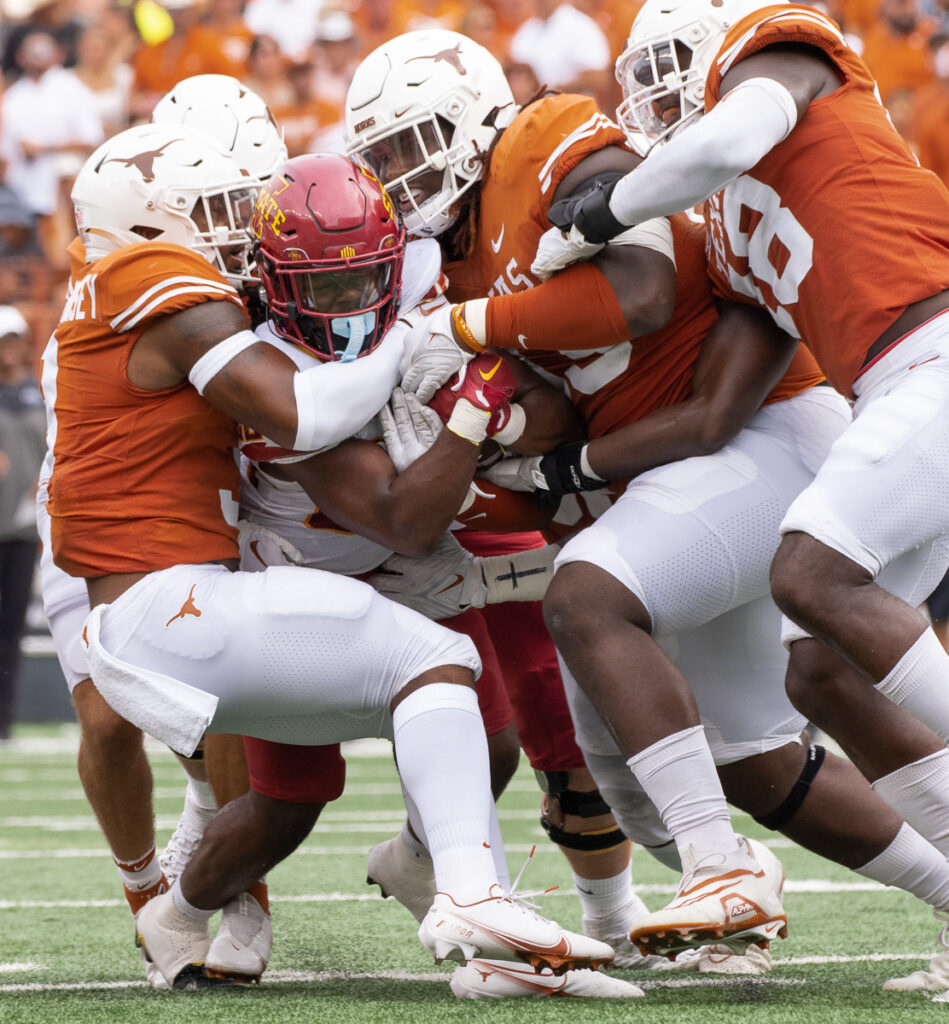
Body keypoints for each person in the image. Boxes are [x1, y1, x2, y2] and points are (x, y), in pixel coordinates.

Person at [346, 27, 949, 967]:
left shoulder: (542, 139)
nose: (396, 173)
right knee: (764, 736)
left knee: (590, 597)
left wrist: (478, 326)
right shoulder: (721, 226)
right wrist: (508, 439)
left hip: (781, 437)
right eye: (378, 157)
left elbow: (643, 301)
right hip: (685, 472)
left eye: (407, 143)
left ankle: (715, 864)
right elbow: (566, 412)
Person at [45, 119, 612, 991]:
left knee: (346, 773)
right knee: (438, 665)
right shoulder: (170, 290)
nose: (235, 224)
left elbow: (542, 413)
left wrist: (480, 391)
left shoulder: (179, 314)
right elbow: (341, 448)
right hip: (206, 600)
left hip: (215, 597)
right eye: (216, 208)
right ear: (154, 223)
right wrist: (455, 391)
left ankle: (186, 915)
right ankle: (469, 895)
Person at [537, 0, 949, 989]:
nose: (653, 101)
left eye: (662, 71)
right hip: (894, 386)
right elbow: (722, 390)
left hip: (933, 351)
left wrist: (605, 208)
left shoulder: (789, 64)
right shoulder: (723, 227)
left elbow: (731, 130)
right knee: (819, 674)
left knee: (807, 574)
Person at [233, 150, 640, 1000]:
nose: (347, 307)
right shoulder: (260, 364)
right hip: (297, 577)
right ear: (272, 282)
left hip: (413, 568)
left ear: (392, 259)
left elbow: (553, 416)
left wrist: (501, 399)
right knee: (287, 800)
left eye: (360, 284)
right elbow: (404, 515)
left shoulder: (422, 290)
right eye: (323, 289)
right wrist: (468, 411)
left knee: (486, 741)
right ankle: (185, 907)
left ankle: (451, 879)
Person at [0, 305, 45, 741]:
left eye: (13, 339)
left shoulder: (38, 393)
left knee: (11, 629)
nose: (8, 349)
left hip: (20, 530)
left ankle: (4, 722)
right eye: (2, 341)